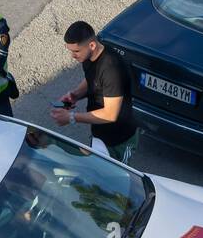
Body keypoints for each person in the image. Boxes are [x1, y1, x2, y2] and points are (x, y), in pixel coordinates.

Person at [51, 20, 139, 163]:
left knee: (117, 180)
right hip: (100, 136)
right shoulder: (88, 57)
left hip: (119, 140)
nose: (73, 56)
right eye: (70, 51)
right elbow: (92, 79)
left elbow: (110, 114)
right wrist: (74, 95)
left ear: (92, 45)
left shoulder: (111, 69)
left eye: (76, 51)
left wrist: (72, 117)